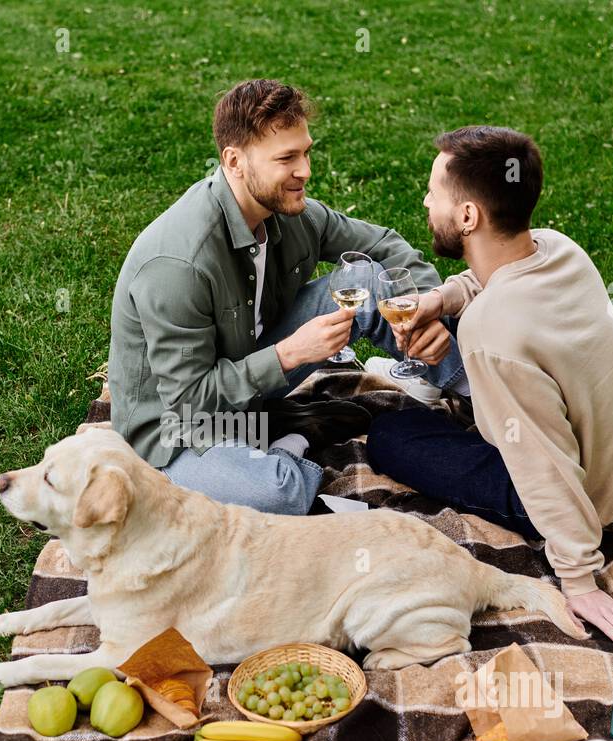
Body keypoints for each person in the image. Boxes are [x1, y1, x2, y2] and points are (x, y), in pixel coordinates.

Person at [366, 125, 613, 649]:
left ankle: (441, 406)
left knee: (390, 435)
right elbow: (486, 281)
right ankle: (462, 399)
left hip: (586, 489)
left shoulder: (493, 333)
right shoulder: (556, 248)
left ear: (467, 216)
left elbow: (543, 463)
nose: (425, 200)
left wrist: (578, 579)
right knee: (473, 361)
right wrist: (441, 299)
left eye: (434, 191)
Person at [107, 78, 470, 515]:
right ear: (234, 161)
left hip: (251, 378)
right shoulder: (179, 263)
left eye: (306, 151)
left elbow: (385, 247)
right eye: (287, 158)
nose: (306, 170)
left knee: (369, 282)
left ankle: (478, 390)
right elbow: (188, 403)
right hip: (175, 427)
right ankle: (288, 439)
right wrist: (288, 355)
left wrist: (425, 308)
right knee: (277, 494)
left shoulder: (290, 213)